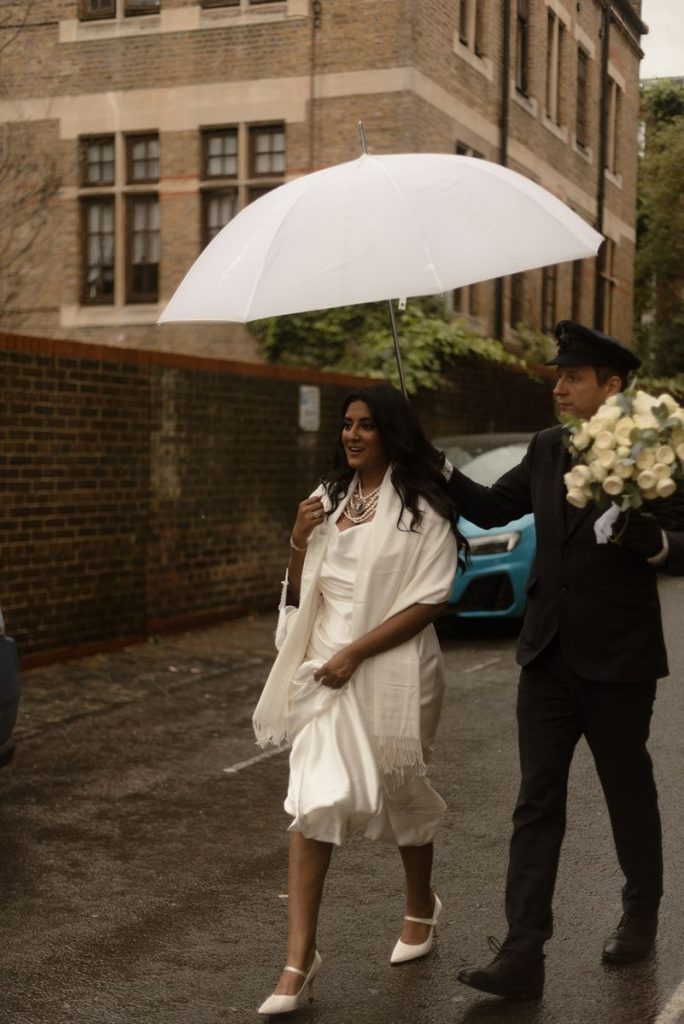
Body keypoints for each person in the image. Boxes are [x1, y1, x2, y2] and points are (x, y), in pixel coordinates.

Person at [448, 320, 684, 1001]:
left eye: (571, 378)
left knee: (626, 790)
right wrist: (431, 464)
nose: (558, 387)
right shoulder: (548, 448)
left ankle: (641, 910)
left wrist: (655, 543)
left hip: (619, 658)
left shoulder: (658, 447)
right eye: (558, 376)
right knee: (536, 801)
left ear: (612, 386)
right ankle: (523, 953)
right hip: (546, 654)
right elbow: (493, 507)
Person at [253, 383, 463, 1015]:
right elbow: (299, 593)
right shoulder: (325, 499)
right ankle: (298, 962)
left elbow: (432, 598)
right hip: (322, 668)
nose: (351, 435)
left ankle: (421, 907)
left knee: (400, 791)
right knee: (315, 801)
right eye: (347, 424)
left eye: (367, 425)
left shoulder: (423, 508)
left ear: (391, 432)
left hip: (390, 664)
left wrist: (356, 654)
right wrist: (296, 538)